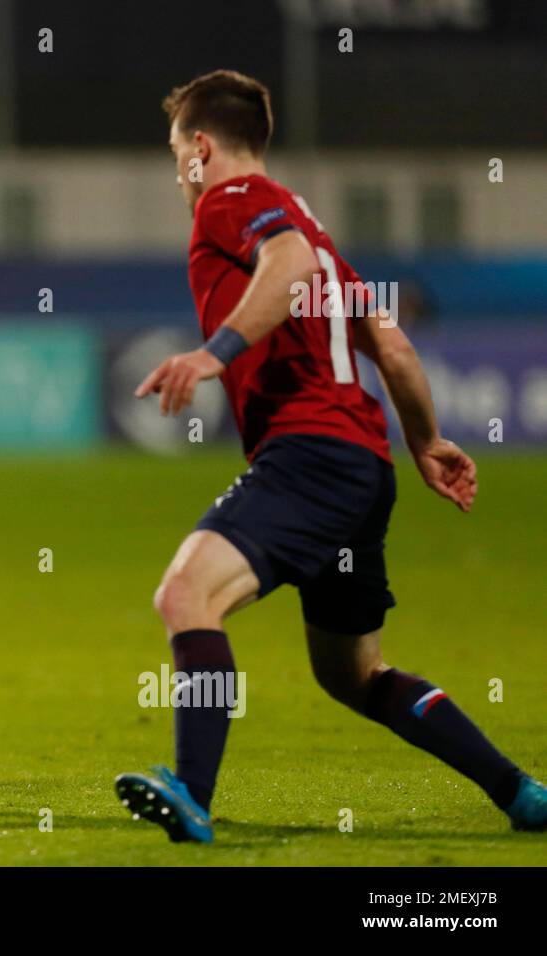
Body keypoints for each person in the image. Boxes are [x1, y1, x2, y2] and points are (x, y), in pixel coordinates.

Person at [116, 69, 546, 843]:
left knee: (186, 596)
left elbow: (291, 269)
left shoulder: (234, 202)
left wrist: (216, 353)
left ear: (201, 147)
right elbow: (393, 346)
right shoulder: (320, 236)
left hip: (310, 456)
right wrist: (425, 441)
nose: (176, 166)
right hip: (361, 467)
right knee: (353, 674)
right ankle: (519, 793)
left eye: (176, 148)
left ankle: (191, 792)